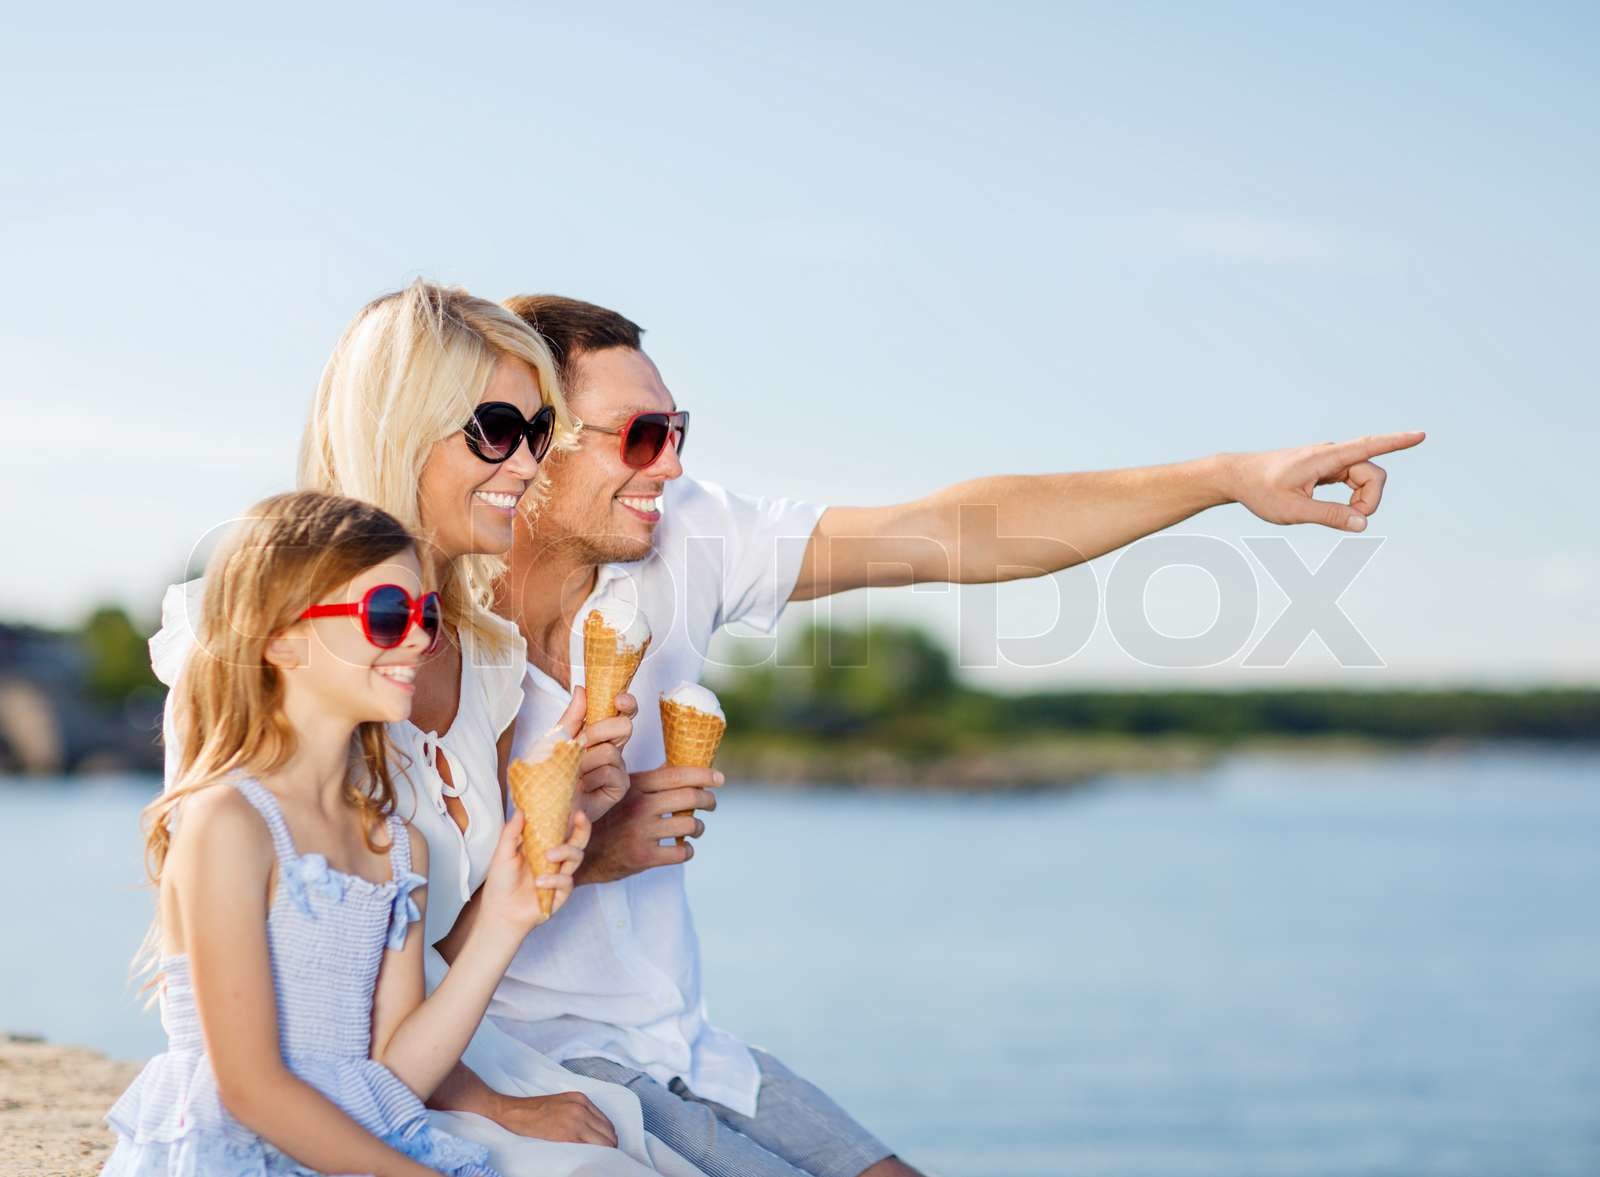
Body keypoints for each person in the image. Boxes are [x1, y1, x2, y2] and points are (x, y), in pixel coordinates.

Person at [488, 293, 1428, 1177]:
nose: (674, 466)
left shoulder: (683, 535)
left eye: (679, 432)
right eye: (643, 438)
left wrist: (1225, 479)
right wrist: (588, 855)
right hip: (526, 1064)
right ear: (534, 445)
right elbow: (375, 925)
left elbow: (953, 530)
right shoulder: (418, 631)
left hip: (686, 1046)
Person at [147, 282, 707, 1177]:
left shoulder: (484, 660)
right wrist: (489, 1106)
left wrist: (568, 837)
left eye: (539, 433)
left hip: (422, 1074)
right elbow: (256, 1060)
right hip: (388, 1109)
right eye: (496, 428)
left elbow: (410, 994)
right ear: (400, 425)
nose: (527, 464)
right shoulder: (242, 647)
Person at [106, 490, 586, 1176]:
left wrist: (508, 920)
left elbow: (395, 1073)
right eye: (388, 615)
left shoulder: (396, 845)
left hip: (357, 1149)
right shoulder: (230, 823)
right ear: (282, 637)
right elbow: (250, 1089)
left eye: (425, 614)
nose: (420, 636)